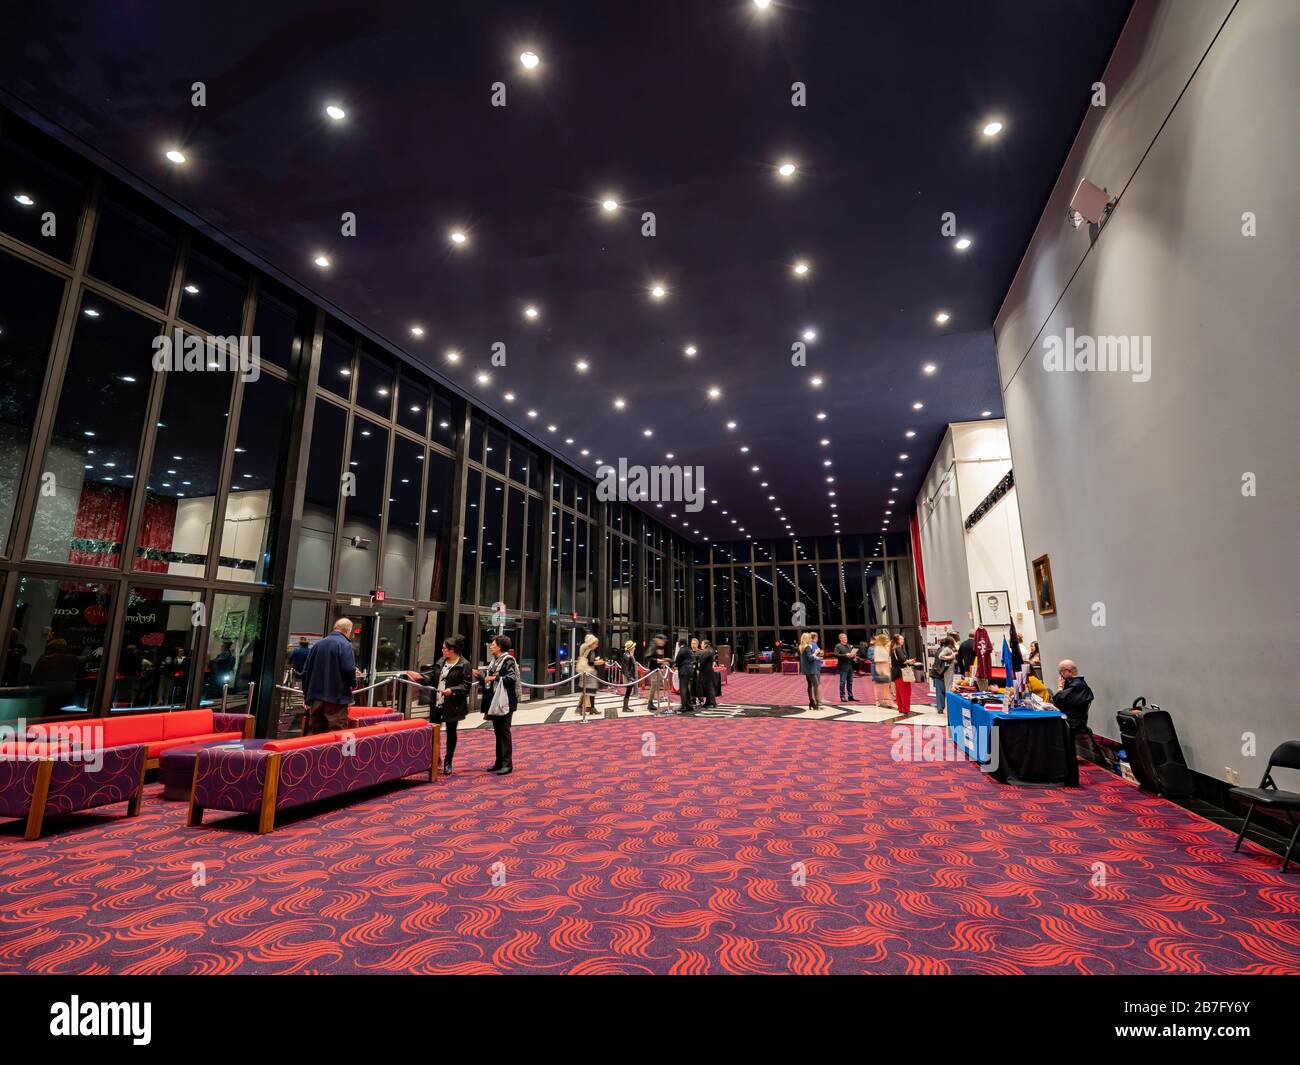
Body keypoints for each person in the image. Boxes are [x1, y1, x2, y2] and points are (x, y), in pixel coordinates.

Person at [406, 636, 471, 774]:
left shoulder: (464, 664)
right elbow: (434, 678)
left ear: (452, 650)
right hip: (437, 702)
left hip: (453, 704)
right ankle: (435, 758)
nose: (442, 650)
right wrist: (420, 677)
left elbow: (466, 687)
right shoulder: (441, 661)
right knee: (433, 731)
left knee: (451, 733)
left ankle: (449, 761)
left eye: (444, 648)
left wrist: (452, 690)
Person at [301, 618, 361, 734]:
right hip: (336, 698)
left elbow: (305, 671)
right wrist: (353, 683)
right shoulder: (345, 645)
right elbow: (348, 669)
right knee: (336, 734)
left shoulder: (317, 645)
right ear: (348, 630)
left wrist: (307, 696)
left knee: (315, 735)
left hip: (316, 698)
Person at [477, 634, 519, 774]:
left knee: (504, 732)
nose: (490, 646)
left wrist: (493, 677)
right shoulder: (495, 661)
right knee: (498, 732)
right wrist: (480, 676)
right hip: (495, 700)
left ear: (500, 646)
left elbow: (511, 678)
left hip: (505, 701)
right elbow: (490, 679)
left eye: (493, 644)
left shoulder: (508, 660)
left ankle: (507, 764)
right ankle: (499, 761)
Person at [1051, 659, 1097, 760]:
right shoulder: (1074, 684)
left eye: (1061, 672)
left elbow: (1058, 700)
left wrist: (1059, 688)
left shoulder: (1077, 685)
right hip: (1070, 717)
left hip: (1073, 720)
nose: (1060, 675)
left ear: (1069, 671)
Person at [574, 634, 605, 720]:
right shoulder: (590, 651)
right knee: (588, 691)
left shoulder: (585, 649)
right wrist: (597, 662)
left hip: (587, 673)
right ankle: (582, 708)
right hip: (589, 673)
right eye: (595, 643)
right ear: (591, 643)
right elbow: (589, 663)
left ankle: (590, 708)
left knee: (588, 692)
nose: (597, 645)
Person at [929, 635, 957, 717]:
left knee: (940, 691)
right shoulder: (946, 650)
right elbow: (940, 658)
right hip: (941, 673)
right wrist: (951, 657)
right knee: (942, 691)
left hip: (940, 673)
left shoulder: (940, 649)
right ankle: (942, 708)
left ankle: (941, 708)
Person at [890, 633, 918, 715]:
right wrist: (910, 661)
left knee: (899, 692)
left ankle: (901, 708)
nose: (903, 640)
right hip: (902, 672)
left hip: (896, 672)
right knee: (906, 691)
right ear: (897, 640)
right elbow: (903, 660)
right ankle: (905, 709)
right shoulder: (898, 649)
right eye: (901, 639)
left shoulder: (893, 649)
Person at [870, 634, 896, 709]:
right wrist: (884, 672)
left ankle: (886, 701)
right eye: (886, 639)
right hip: (884, 670)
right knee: (885, 687)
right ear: (883, 640)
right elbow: (879, 662)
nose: (888, 640)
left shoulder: (882, 647)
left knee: (885, 687)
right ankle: (887, 701)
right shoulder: (879, 649)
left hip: (885, 669)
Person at [644, 635, 668, 713]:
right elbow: (648, 658)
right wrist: (659, 661)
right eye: (662, 641)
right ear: (658, 640)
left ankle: (651, 702)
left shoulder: (658, 647)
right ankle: (650, 703)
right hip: (653, 669)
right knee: (653, 686)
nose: (663, 643)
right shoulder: (653, 646)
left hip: (657, 669)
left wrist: (662, 662)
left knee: (655, 686)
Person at [798, 632, 822, 710]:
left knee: (809, 685)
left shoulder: (801, 646)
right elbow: (810, 658)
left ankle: (811, 701)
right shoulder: (807, 647)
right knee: (816, 684)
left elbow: (807, 658)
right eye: (809, 638)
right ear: (806, 639)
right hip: (811, 670)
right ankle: (816, 702)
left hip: (806, 669)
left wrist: (817, 658)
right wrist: (816, 652)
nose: (811, 639)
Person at [673, 637, 696, 713]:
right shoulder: (689, 649)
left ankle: (683, 706)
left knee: (683, 689)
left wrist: (675, 665)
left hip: (683, 671)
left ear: (680, 643)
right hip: (690, 670)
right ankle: (689, 705)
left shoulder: (682, 649)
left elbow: (677, 660)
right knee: (687, 688)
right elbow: (693, 659)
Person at [833, 632, 858, 702]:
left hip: (850, 665)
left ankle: (850, 696)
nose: (846, 638)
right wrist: (845, 655)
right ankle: (842, 696)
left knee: (850, 682)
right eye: (844, 637)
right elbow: (836, 654)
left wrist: (853, 656)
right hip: (843, 666)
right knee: (842, 682)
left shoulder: (849, 646)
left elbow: (850, 655)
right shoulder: (838, 646)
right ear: (840, 639)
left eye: (846, 637)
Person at [618, 639, 640, 713]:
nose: (635, 648)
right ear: (631, 648)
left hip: (628, 675)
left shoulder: (627, 655)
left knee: (628, 691)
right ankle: (625, 707)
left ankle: (626, 706)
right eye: (634, 647)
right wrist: (630, 678)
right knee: (628, 691)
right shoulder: (629, 656)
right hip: (629, 676)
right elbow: (628, 669)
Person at [697, 639, 719, 708]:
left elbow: (702, 662)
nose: (701, 644)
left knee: (708, 687)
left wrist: (699, 669)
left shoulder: (705, 651)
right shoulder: (711, 650)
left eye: (702, 643)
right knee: (708, 687)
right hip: (709, 671)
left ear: (705, 644)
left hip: (705, 672)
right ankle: (708, 702)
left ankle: (713, 702)